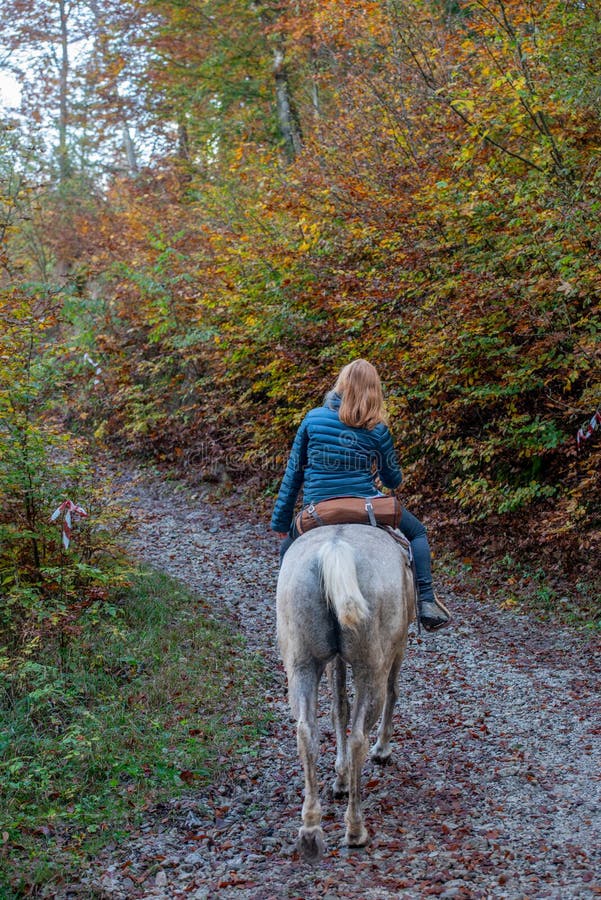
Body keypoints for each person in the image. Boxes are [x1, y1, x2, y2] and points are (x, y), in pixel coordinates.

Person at [270, 359, 451, 631]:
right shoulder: (376, 428)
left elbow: (293, 475)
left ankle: (286, 617)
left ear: (341, 384)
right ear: (373, 390)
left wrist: (281, 524)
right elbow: (394, 480)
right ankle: (426, 602)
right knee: (418, 533)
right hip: (367, 507)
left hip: (318, 510)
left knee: (289, 553)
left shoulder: (312, 419)